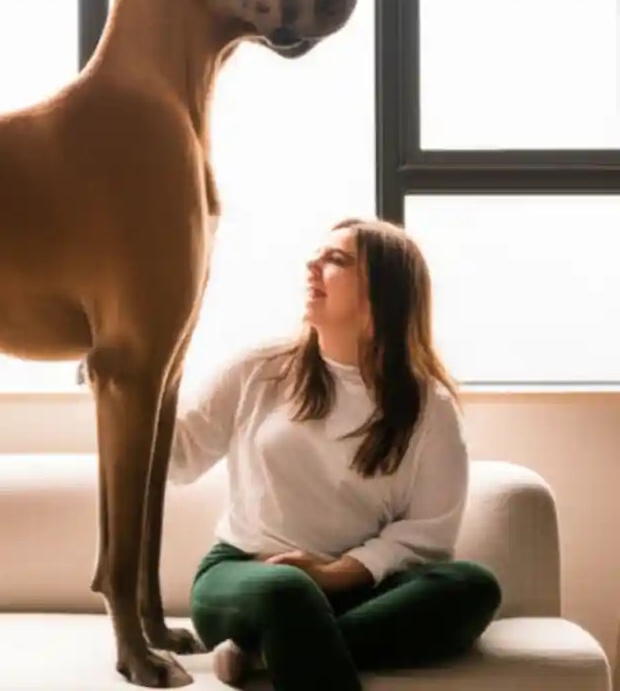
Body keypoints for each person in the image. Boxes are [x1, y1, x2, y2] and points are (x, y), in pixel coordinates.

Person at [168, 217, 502, 690]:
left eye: (336, 260)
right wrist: (132, 378)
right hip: (248, 576)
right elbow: (180, 460)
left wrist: (332, 574)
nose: (312, 266)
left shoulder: (430, 407)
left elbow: (428, 535)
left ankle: (268, 654)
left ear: (381, 296)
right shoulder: (261, 369)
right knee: (288, 590)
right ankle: (293, 636)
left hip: (358, 588)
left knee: (473, 586)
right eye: (317, 255)